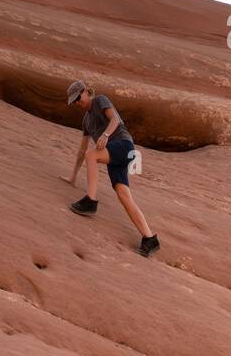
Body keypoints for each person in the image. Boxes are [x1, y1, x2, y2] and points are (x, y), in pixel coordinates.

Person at [64, 79, 160, 257]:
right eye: (74, 101)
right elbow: (82, 150)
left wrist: (106, 135)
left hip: (123, 145)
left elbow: (115, 118)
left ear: (86, 91)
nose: (77, 102)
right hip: (113, 156)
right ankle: (149, 238)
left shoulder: (100, 100)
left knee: (93, 155)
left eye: (78, 97)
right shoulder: (86, 121)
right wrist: (73, 176)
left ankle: (90, 202)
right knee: (123, 196)